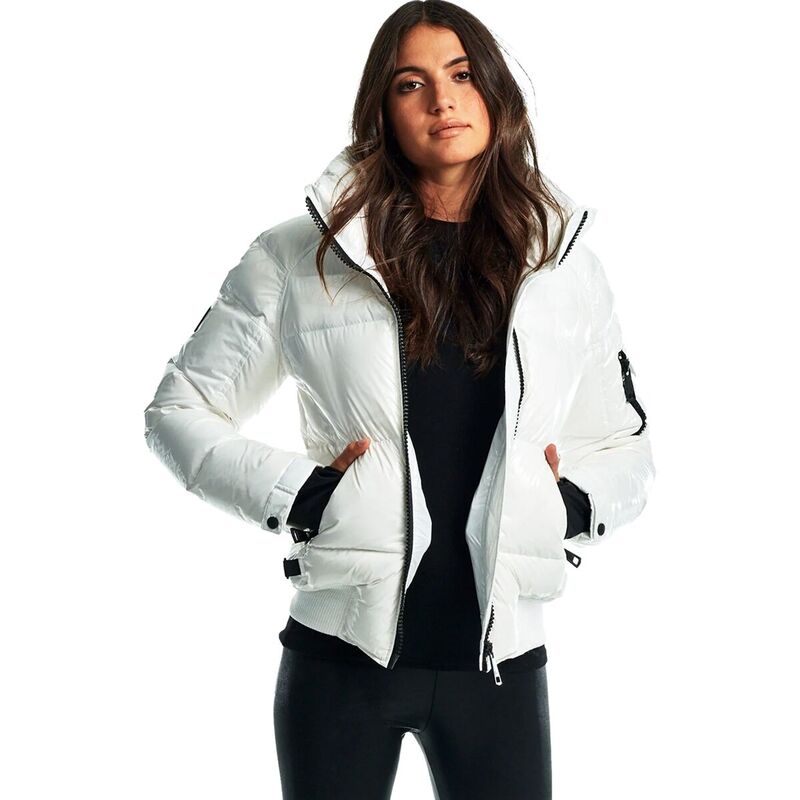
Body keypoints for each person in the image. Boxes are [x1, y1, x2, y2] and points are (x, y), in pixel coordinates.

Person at [143, 3, 655, 798]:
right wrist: (303, 496)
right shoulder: (298, 256)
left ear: (496, 93)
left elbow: (627, 447)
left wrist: (570, 505)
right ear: (382, 112)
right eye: (411, 84)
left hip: (500, 664)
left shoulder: (564, 267)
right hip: (339, 660)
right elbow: (177, 411)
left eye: (461, 75)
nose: (442, 100)